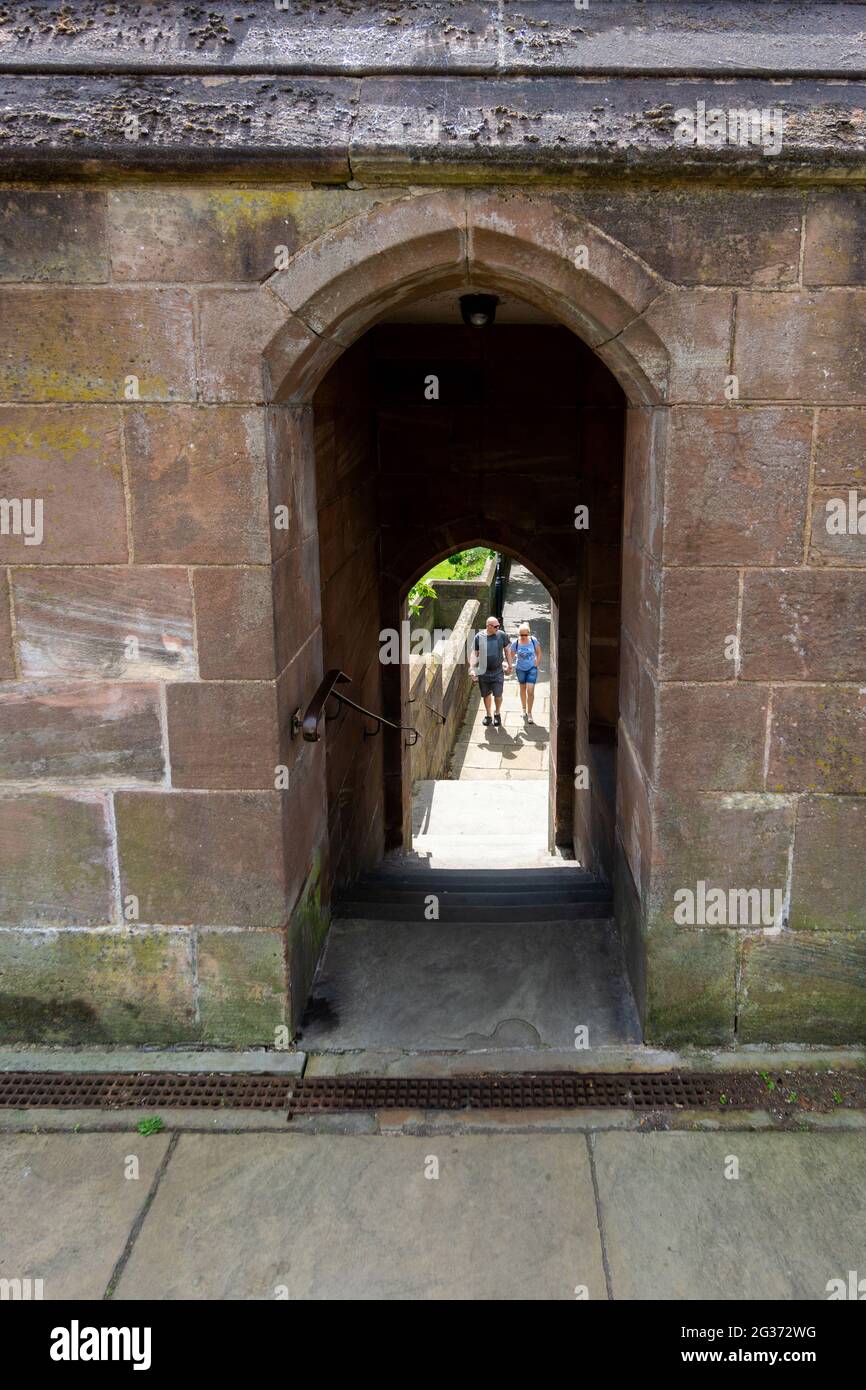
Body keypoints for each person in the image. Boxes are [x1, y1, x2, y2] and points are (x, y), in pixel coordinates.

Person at [469, 614, 512, 727]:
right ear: (488, 626)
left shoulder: (501, 635)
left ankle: (497, 713)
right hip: (483, 672)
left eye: (499, 625)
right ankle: (488, 715)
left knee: (498, 695)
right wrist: (472, 668)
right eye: (496, 626)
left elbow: (507, 650)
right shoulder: (479, 637)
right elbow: (474, 653)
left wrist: (510, 665)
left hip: (498, 671)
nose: (498, 628)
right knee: (486, 695)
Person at [509, 622, 542, 723]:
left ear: (529, 633)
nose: (523, 637)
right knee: (523, 689)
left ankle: (530, 713)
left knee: (530, 691)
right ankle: (524, 709)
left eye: (525, 635)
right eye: (521, 635)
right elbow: (511, 655)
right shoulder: (516, 643)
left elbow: (539, 652)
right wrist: (509, 666)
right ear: (519, 634)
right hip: (520, 669)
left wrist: (537, 662)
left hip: (532, 668)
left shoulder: (533, 640)